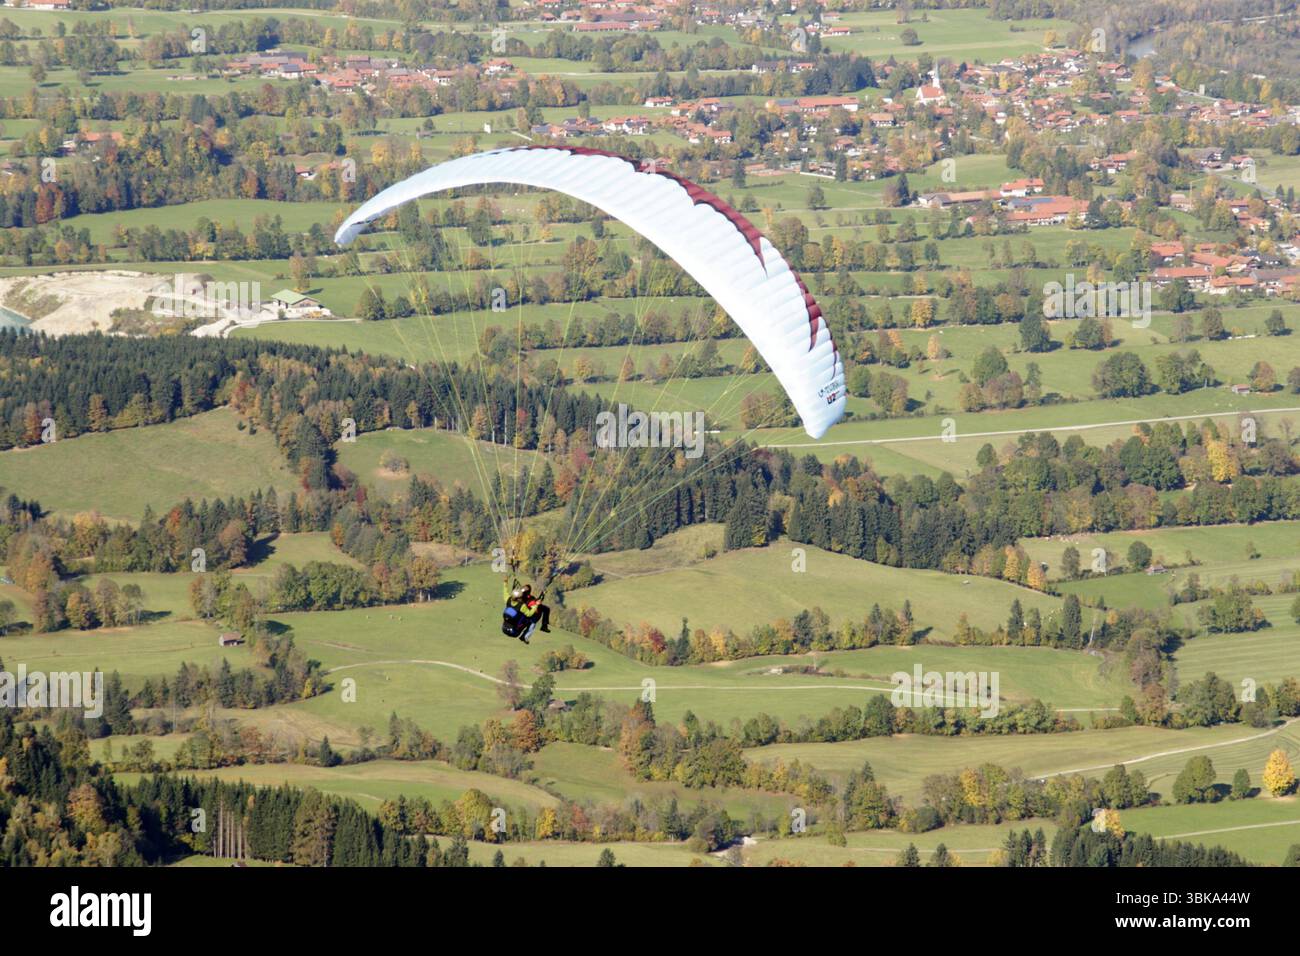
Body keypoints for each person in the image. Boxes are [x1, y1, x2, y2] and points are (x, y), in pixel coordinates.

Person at [502, 576, 551, 641]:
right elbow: (529, 614)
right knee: (533, 620)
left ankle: (527, 635)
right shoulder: (522, 606)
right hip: (514, 632)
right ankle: (525, 637)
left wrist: (505, 582)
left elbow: (505, 591)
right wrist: (536, 604)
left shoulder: (508, 599)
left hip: (504, 629)